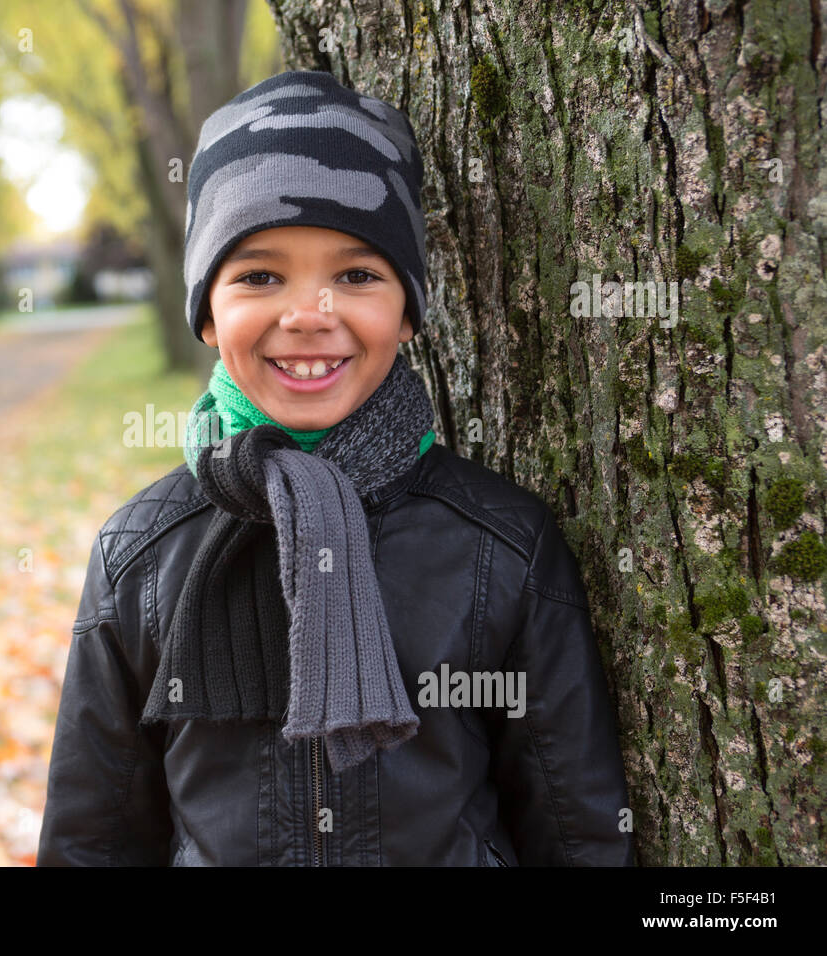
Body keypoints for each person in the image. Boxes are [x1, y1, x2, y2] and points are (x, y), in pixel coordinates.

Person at [36, 69, 633, 866]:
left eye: (356, 275)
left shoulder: (502, 545)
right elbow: (93, 838)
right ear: (208, 315)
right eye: (259, 275)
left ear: (408, 312)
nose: (309, 317)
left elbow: (579, 829)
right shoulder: (139, 555)